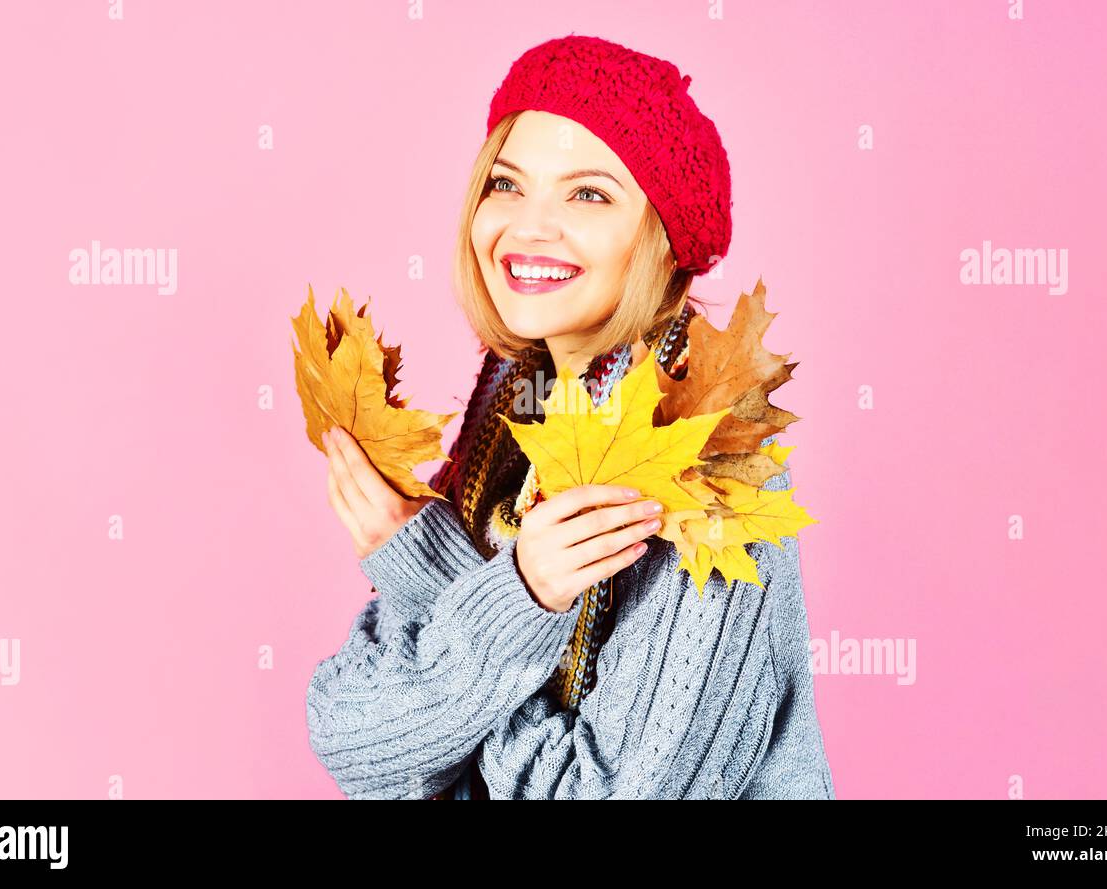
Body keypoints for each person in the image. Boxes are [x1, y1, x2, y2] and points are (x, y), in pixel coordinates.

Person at [306, 34, 835, 800]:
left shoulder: (709, 455)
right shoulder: (513, 406)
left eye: (588, 194)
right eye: (506, 184)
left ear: (659, 236)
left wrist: (447, 579)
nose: (528, 226)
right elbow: (354, 738)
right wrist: (508, 594)